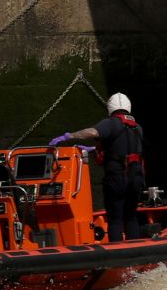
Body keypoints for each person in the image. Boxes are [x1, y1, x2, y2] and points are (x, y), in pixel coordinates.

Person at [51, 93, 146, 241]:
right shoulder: (137, 128)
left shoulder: (111, 123)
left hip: (117, 177)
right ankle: (135, 251)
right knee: (131, 216)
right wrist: (94, 149)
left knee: (115, 218)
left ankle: (117, 252)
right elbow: (123, 147)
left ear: (110, 108)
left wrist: (69, 136)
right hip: (136, 178)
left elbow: (92, 132)